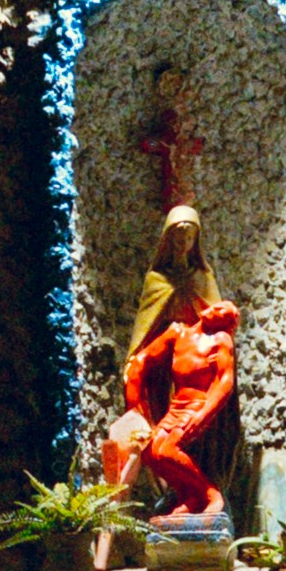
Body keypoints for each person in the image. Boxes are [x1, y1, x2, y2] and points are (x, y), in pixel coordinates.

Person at [96, 202, 241, 524]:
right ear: (167, 239)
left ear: (197, 241)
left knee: (177, 445)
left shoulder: (204, 279)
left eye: (190, 236)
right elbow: (145, 339)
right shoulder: (156, 280)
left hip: (200, 380)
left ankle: (204, 493)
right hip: (169, 372)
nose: (183, 242)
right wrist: (136, 371)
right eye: (177, 235)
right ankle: (189, 494)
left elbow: (223, 365)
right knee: (155, 447)